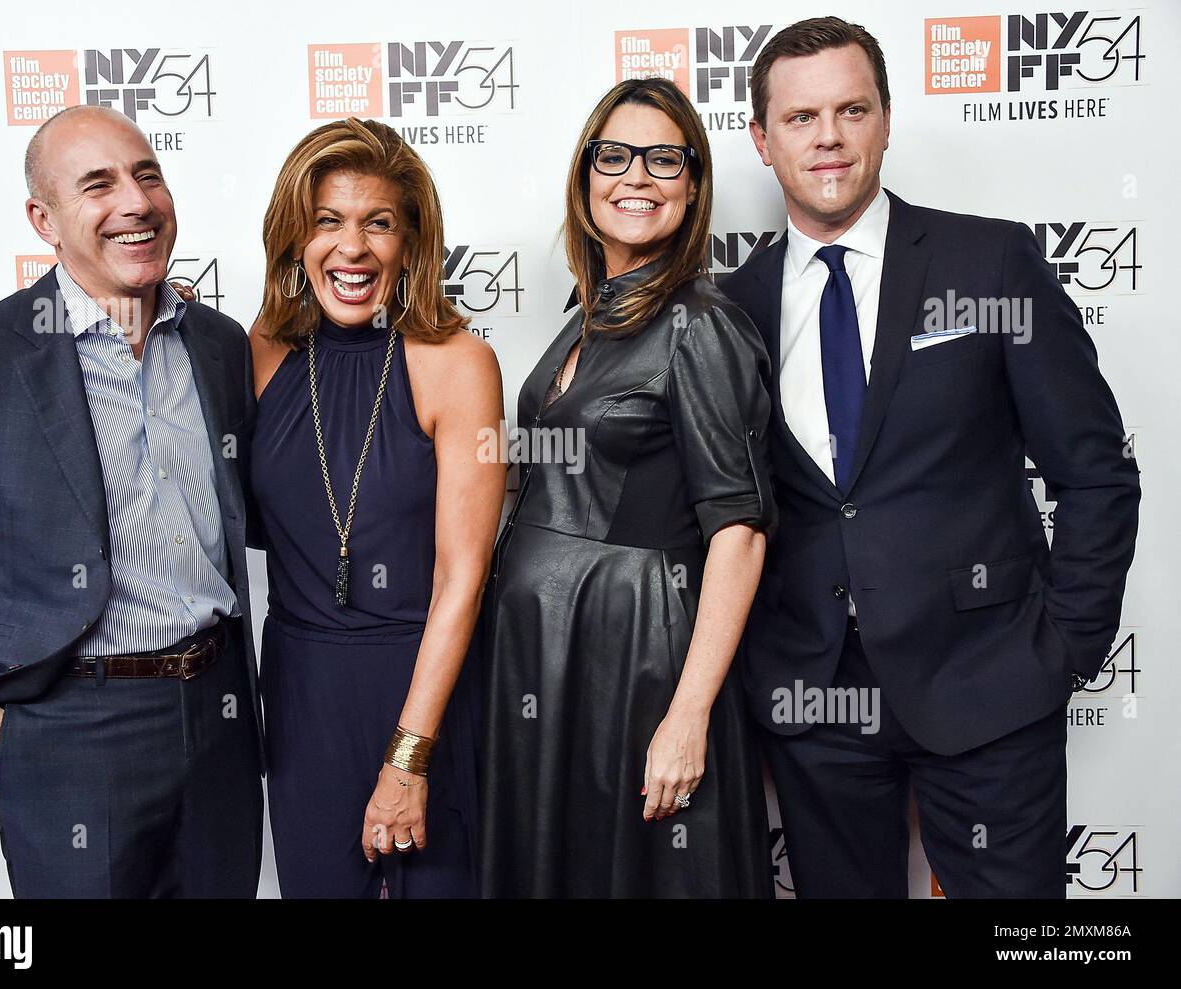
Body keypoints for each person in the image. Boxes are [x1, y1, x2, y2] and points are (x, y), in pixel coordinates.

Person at [720, 16, 1141, 898]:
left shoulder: (987, 261)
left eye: (851, 109)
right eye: (800, 118)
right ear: (762, 139)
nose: (828, 136)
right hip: (815, 702)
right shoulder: (733, 306)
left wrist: (1064, 646)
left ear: (885, 118)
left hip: (990, 685)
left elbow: (1095, 467)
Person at [0, 105, 264, 897]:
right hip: (67, 734)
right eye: (99, 184)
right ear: (43, 220)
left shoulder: (221, 344)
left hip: (221, 716)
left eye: (147, 174)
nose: (135, 202)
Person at [480, 78, 777, 898]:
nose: (635, 176)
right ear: (584, 178)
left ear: (693, 185)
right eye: (613, 156)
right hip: (549, 660)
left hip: (637, 660)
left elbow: (739, 530)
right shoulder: (589, 313)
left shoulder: (701, 324)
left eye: (663, 159)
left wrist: (686, 717)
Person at [247, 118, 503, 897]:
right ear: (296, 238)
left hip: (425, 687)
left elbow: (463, 575)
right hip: (300, 695)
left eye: (378, 223)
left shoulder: (457, 363)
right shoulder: (259, 351)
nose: (351, 248)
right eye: (327, 221)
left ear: (411, 243)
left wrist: (409, 756)